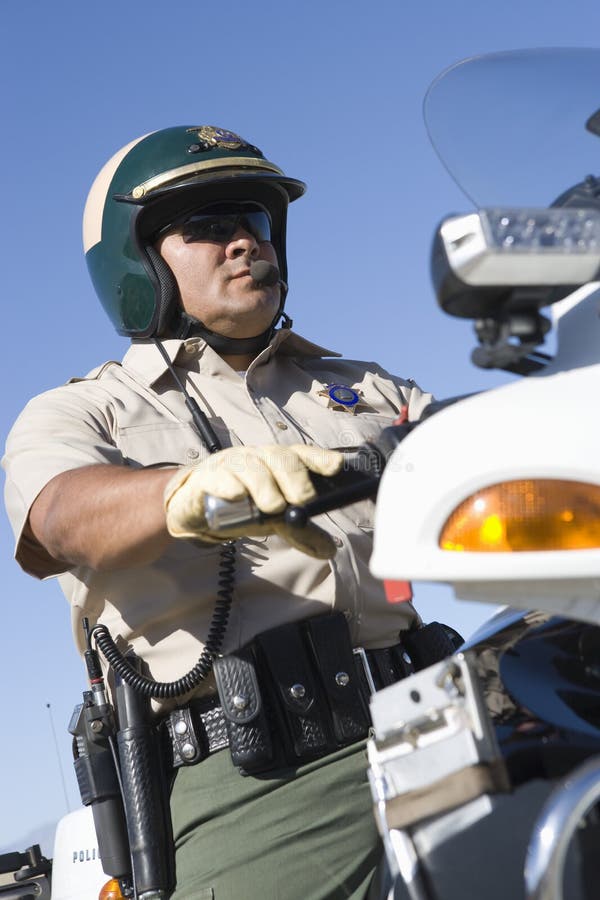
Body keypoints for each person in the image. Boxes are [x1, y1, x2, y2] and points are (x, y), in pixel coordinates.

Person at [3, 125, 439, 900]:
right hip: (260, 775)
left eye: (255, 222)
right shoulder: (83, 410)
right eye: (206, 226)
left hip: (431, 712)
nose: (243, 242)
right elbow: (57, 517)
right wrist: (183, 492)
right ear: (135, 261)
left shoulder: (370, 388)